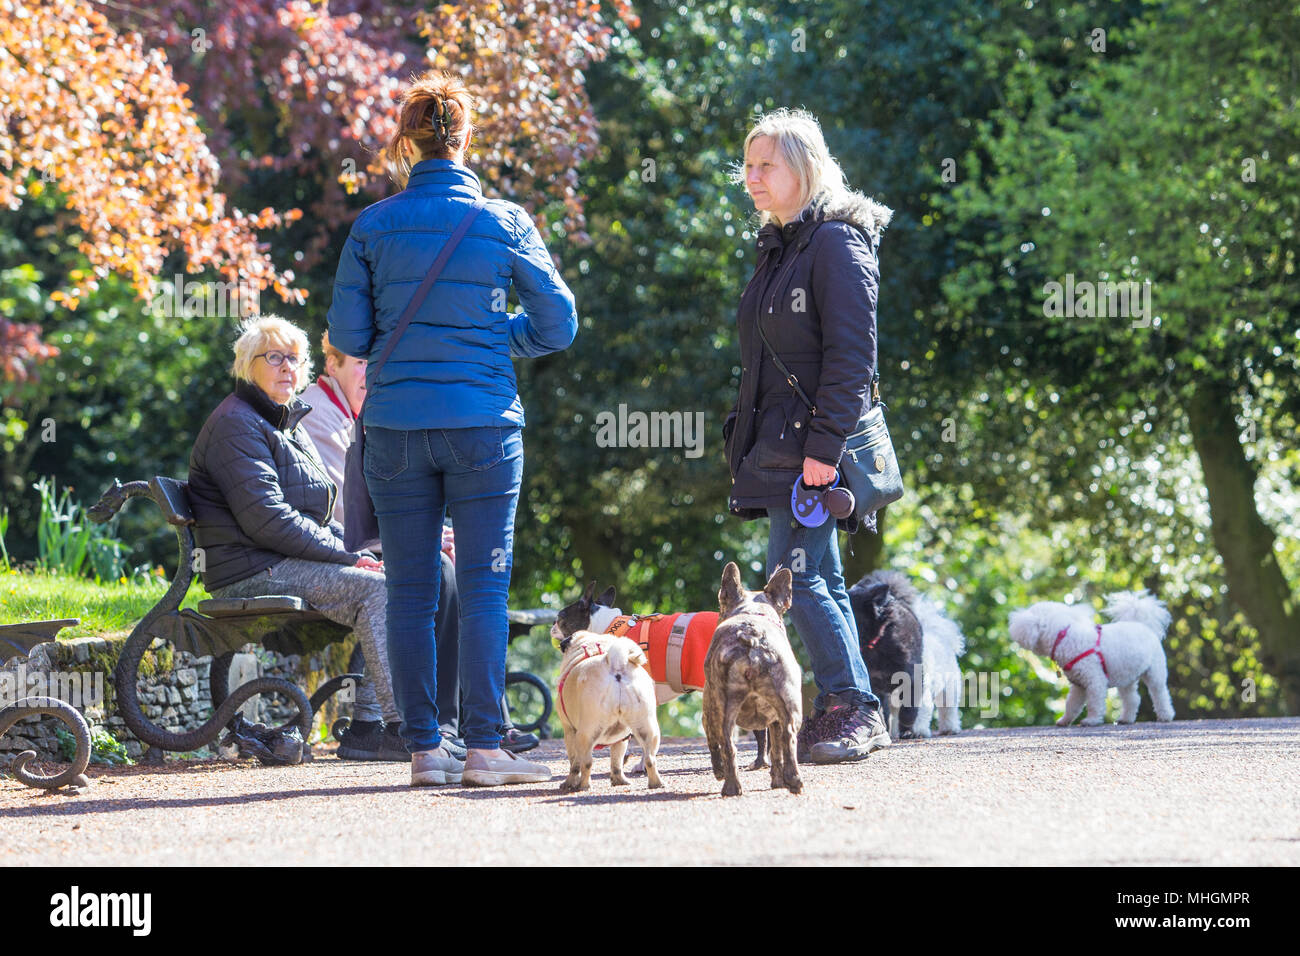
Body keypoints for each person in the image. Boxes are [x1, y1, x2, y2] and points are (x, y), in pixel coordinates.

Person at [327, 70, 575, 787]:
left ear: (407, 141)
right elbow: (559, 324)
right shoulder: (506, 221)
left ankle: (425, 751)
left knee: (408, 589)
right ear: (466, 139)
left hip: (397, 428)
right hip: (483, 427)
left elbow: (351, 337)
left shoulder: (371, 226)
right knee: (485, 586)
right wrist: (500, 342)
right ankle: (488, 751)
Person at [724, 108, 895, 764]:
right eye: (748, 164)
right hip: (777, 449)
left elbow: (853, 357)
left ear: (805, 168)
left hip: (812, 451)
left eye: (766, 164)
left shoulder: (835, 242)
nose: (752, 177)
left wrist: (824, 448)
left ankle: (852, 707)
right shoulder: (782, 244)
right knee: (814, 571)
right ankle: (847, 707)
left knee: (794, 577)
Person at [300, 333, 539, 756]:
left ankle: (480, 721)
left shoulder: (358, 411)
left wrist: (436, 530)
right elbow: (342, 506)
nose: (368, 374)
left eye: (373, 365)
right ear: (331, 365)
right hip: (347, 545)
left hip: (370, 540)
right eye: (358, 364)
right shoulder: (318, 412)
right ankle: (443, 722)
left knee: (462, 566)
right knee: (439, 570)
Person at [188, 315, 407, 759]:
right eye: (275, 358)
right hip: (251, 570)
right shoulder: (238, 423)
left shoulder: (287, 422)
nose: (288, 367)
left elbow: (319, 516)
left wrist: (357, 551)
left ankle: (375, 726)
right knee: (379, 592)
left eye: (294, 358)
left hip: (278, 560)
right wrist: (348, 558)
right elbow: (269, 520)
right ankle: (398, 728)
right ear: (249, 365)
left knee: (395, 578)